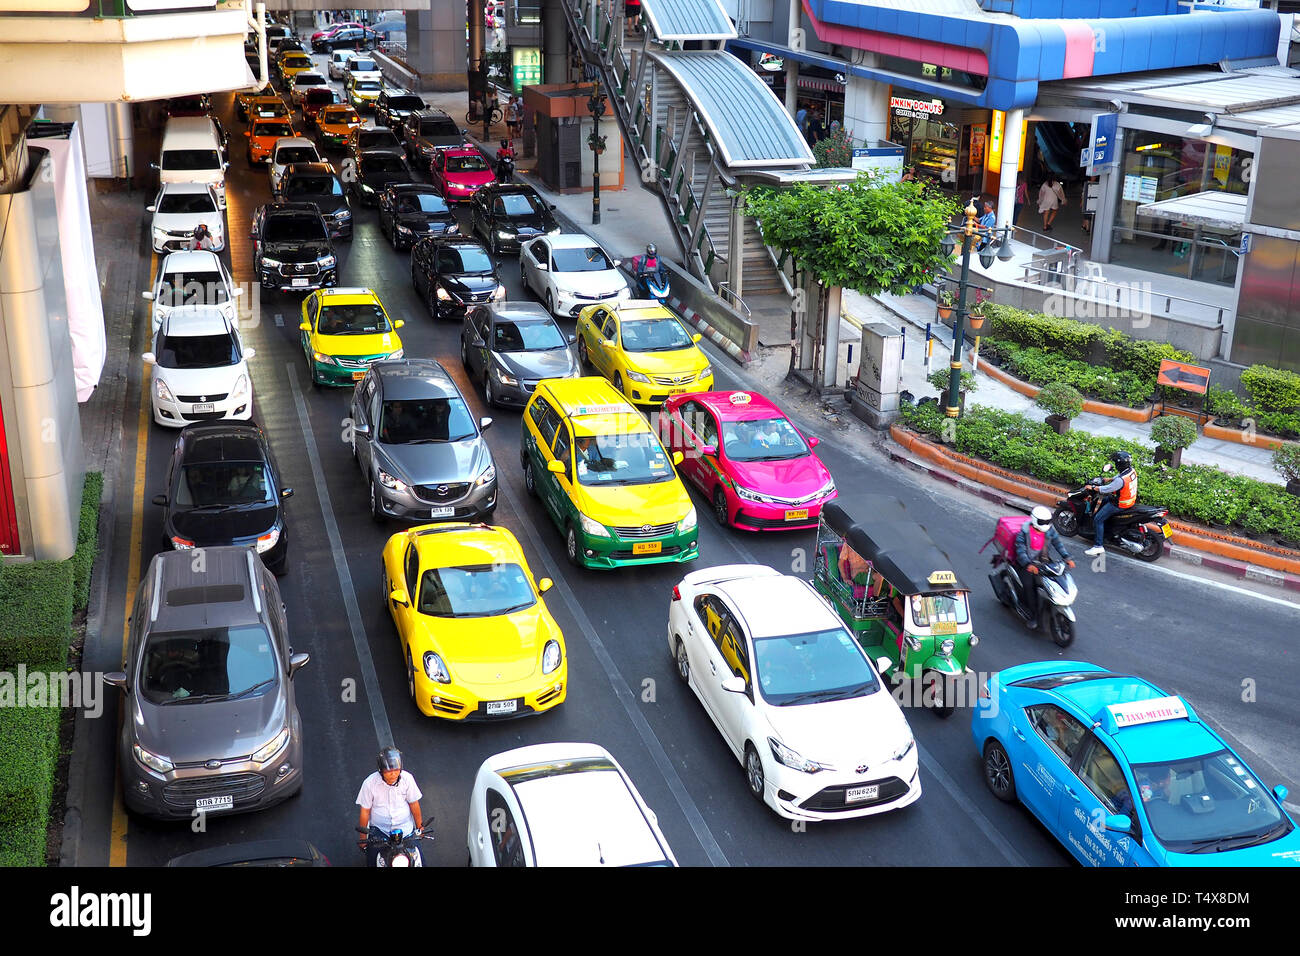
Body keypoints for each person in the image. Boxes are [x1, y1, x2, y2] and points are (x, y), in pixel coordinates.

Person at [356, 747, 424, 866]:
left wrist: (420, 827)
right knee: (372, 861)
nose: (393, 774)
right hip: (380, 831)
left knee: (420, 861)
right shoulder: (369, 783)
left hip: (406, 830)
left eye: (396, 770)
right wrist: (363, 838)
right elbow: (365, 812)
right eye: (388, 771)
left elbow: (414, 804)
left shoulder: (407, 779)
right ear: (381, 771)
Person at [1013, 505, 1075, 628]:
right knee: (1030, 587)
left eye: (1048, 521)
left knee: (1058, 577)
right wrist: (1028, 564)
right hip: (1027, 565)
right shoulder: (1024, 533)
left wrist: (1066, 558)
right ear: (1035, 520)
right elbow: (1020, 550)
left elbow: (1058, 544)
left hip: (1044, 562)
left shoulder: (1050, 531)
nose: (1046, 524)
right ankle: (1033, 615)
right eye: (1043, 522)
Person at [1085, 451, 1138, 556]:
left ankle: (1098, 546)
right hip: (1129, 500)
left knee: (1098, 519)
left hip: (1119, 504)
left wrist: (1093, 487)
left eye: (1116, 463)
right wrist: (1108, 479)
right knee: (1103, 501)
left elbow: (1106, 489)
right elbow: (1118, 478)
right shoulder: (1131, 471)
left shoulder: (1120, 480)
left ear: (1120, 464)